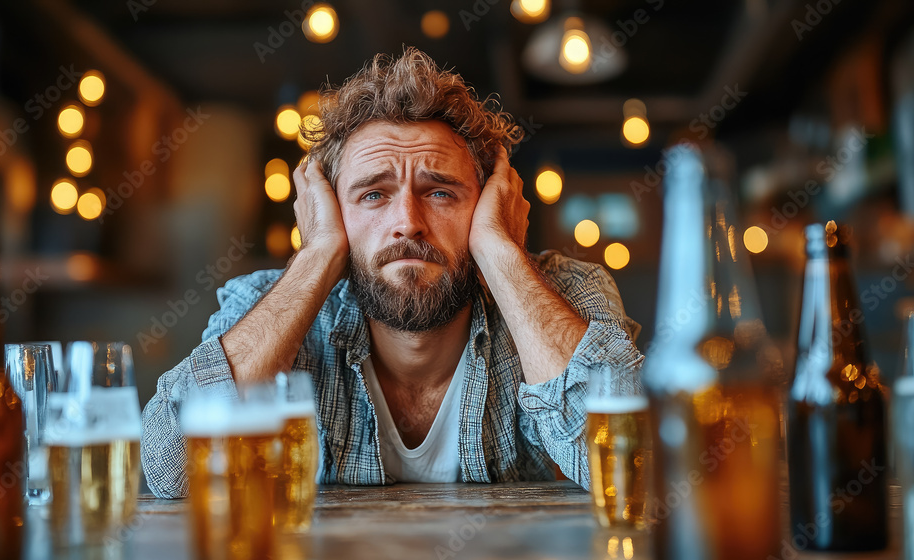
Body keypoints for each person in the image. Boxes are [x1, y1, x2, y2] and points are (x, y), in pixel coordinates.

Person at [141, 47, 642, 498]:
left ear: (493, 204)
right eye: (373, 194)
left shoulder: (568, 294)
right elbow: (170, 468)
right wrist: (316, 256)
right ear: (333, 213)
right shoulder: (262, 303)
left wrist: (501, 253)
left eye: (440, 192)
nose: (407, 223)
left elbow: (634, 465)